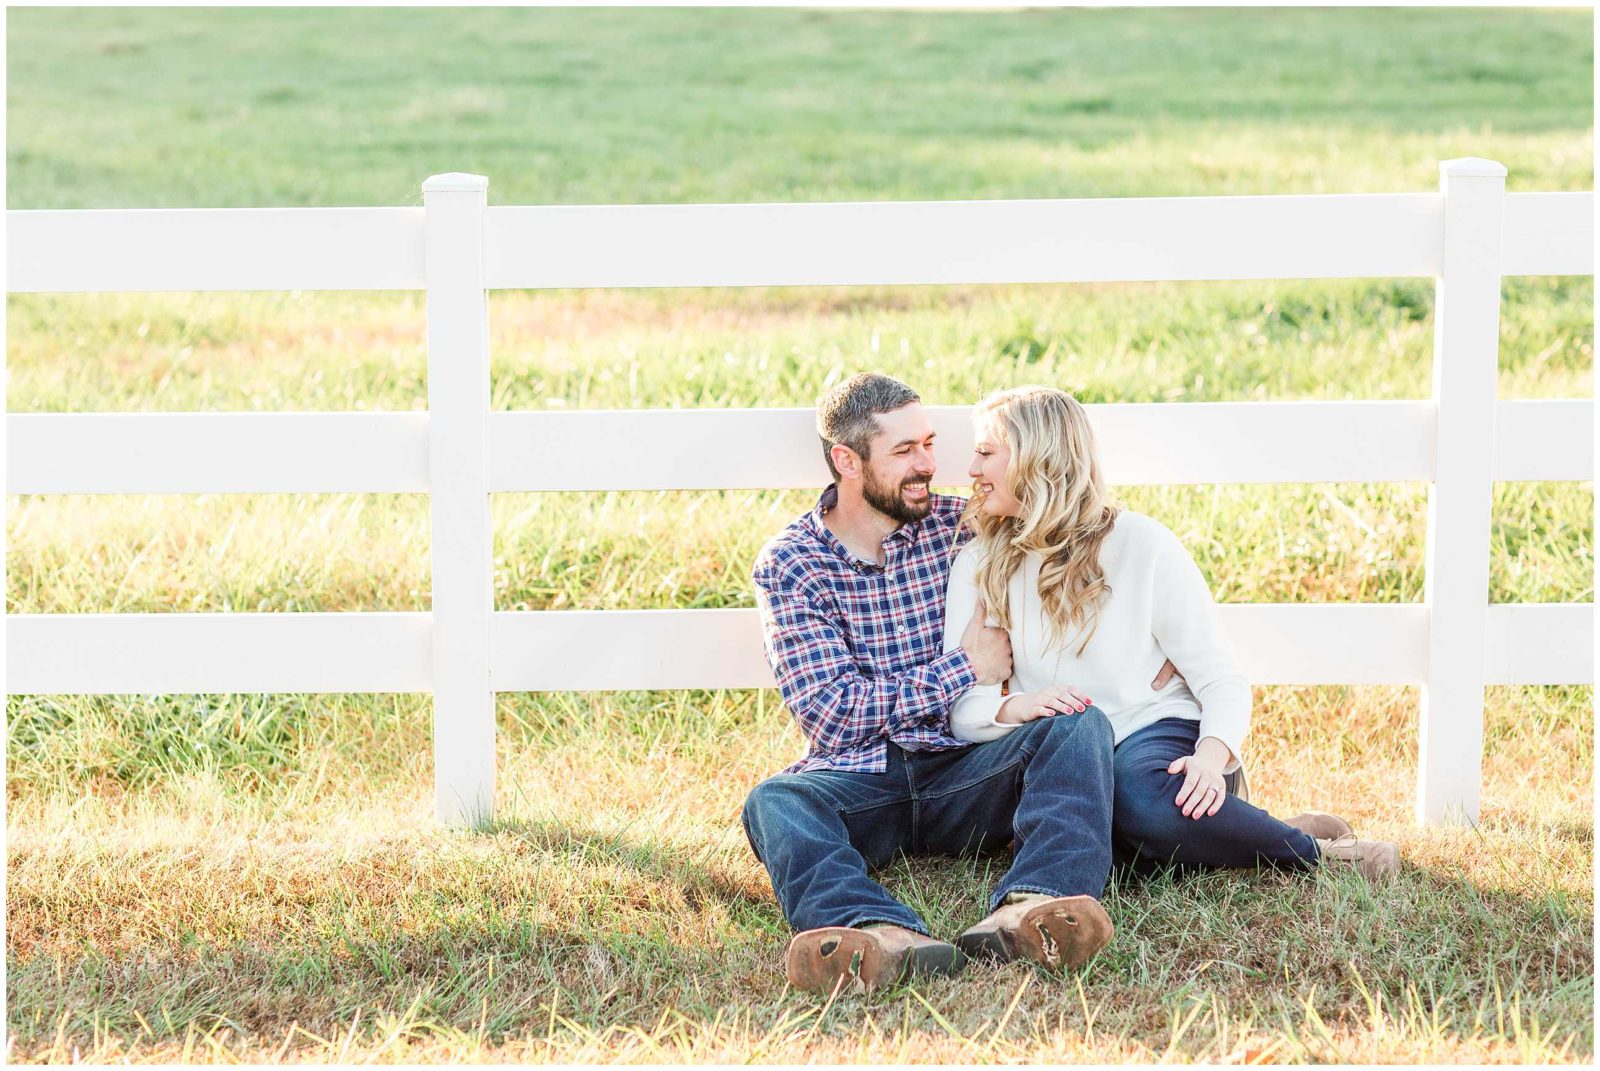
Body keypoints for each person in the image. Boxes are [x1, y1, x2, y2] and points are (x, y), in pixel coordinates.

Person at [741, 373, 1119, 996]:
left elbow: (1072, 528)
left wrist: (1152, 647)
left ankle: (1032, 907)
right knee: (775, 803)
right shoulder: (792, 562)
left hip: (966, 765)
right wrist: (962, 669)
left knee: (1078, 726)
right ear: (847, 461)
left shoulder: (957, 525)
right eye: (904, 451)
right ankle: (878, 933)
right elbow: (831, 716)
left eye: (929, 443)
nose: (928, 466)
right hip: (861, 778)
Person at [943, 385, 1399, 881]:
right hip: (1061, 756)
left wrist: (1208, 758)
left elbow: (1220, 678)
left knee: (1139, 799)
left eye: (986, 453)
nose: (971, 469)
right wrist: (1017, 707)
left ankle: (1317, 855)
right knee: (1101, 848)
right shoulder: (979, 563)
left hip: (1153, 733)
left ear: (1037, 458)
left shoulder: (1143, 545)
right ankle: (1243, 831)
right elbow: (964, 712)